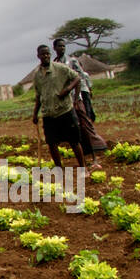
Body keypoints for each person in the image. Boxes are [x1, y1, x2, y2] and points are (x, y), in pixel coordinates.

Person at [30, 44, 86, 213]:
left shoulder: (61, 68)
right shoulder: (37, 76)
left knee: (74, 141)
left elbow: (77, 77)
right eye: (43, 54)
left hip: (65, 111)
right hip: (48, 114)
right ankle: (59, 170)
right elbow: (38, 97)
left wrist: (69, 90)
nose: (46, 56)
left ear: (50, 54)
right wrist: (35, 114)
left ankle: (83, 168)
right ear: (38, 56)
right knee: (52, 144)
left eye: (48, 53)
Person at [53, 38, 104, 167]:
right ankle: (84, 159)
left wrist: (77, 99)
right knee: (74, 130)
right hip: (65, 103)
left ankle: (95, 157)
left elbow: (80, 78)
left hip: (76, 99)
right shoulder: (54, 64)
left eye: (63, 46)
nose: (62, 48)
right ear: (55, 48)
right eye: (59, 46)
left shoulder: (72, 61)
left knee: (85, 126)